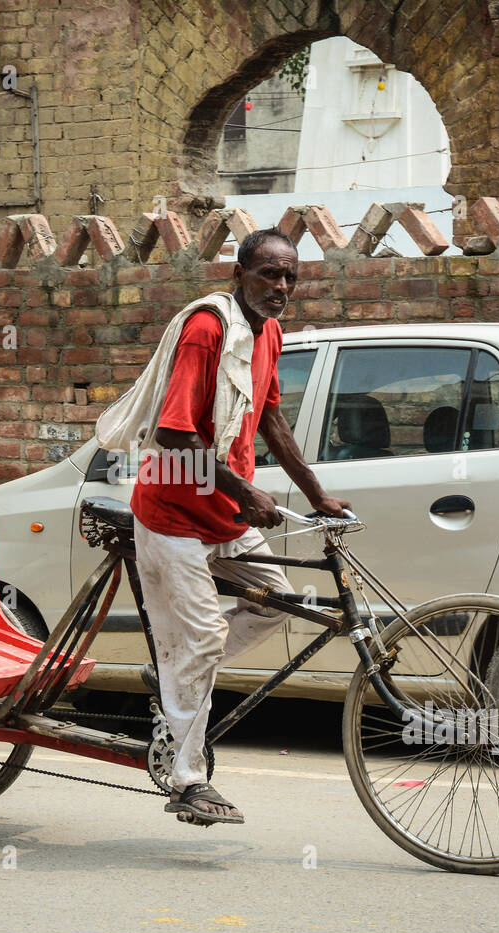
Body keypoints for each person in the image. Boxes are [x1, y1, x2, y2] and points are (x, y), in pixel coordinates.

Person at [129, 228, 350, 827]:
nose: (280, 288)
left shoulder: (269, 332)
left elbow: (271, 417)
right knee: (202, 640)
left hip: (223, 515)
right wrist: (245, 489)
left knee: (278, 603)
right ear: (239, 274)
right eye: (268, 276)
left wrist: (316, 493)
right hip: (172, 516)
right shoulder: (208, 330)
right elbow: (173, 433)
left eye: (289, 279)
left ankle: (168, 675)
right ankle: (188, 779)